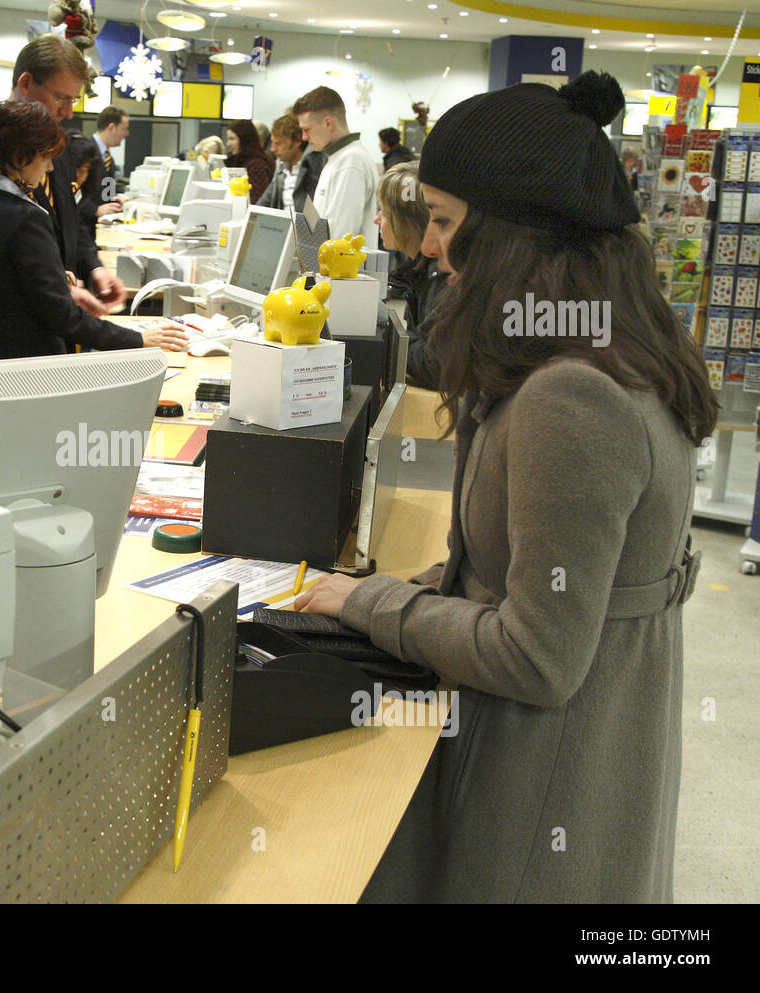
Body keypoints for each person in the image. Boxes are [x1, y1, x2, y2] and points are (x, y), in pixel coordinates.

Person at [294, 72, 718, 902]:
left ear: (517, 236)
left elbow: (537, 653)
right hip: (576, 764)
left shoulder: (573, 396)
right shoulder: (604, 350)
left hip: (539, 788)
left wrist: (370, 604)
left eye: (446, 221)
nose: (426, 245)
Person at [0, 35, 126, 364]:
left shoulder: (56, 145)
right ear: (25, 83)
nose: (67, 112)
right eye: (61, 98)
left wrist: (93, 268)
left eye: (73, 101)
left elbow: (72, 221)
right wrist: (61, 292)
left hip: (52, 323)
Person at [0, 102, 188, 362]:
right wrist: (140, 339)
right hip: (28, 369)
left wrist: (54, 280)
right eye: (45, 157)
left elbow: (1, 283)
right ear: (22, 156)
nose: (50, 168)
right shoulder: (27, 218)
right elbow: (63, 319)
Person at [375, 161, 446, 389]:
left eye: (384, 213)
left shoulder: (444, 277)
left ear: (406, 223)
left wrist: (384, 325)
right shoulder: (420, 270)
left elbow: (433, 364)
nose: (377, 219)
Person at [294, 85, 378, 248]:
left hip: (342, 271)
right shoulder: (339, 157)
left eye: (307, 130)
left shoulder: (351, 161)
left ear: (328, 123)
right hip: (330, 267)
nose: (304, 137)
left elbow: (339, 238)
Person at [256, 113, 323, 214]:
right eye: (272, 143)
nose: (272, 149)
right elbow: (260, 206)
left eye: (278, 143)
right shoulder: (282, 171)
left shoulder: (315, 169)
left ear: (296, 141)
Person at [223, 119, 274, 203]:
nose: (228, 143)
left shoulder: (257, 165)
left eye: (232, 139)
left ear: (244, 139)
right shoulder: (238, 159)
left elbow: (256, 200)